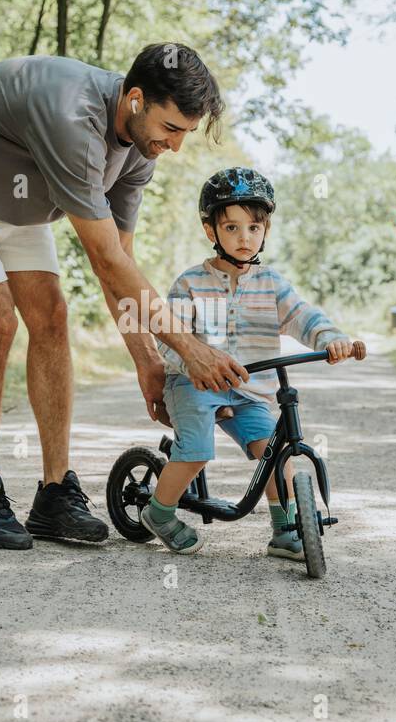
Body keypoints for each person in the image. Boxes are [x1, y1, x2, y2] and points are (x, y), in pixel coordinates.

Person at [0, 44, 248, 551]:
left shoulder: (139, 151)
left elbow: (119, 266)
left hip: (17, 199)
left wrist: (148, 361)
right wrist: (190, 350)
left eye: (185, 134)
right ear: (136, 99)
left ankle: (54, 494)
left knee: (53, 318)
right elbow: (105, 261)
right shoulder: (71, 115)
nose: (176, 146)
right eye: (171, 129)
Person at [144, 167, 365, 559]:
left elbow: (302, 315)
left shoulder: (272, 284)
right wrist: (189, 362)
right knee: (196, 450)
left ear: (265, 230)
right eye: (231, 227)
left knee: (275, 450)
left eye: (253, 227)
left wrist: (331, 339)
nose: (244, 238)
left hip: (249, 388)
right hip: (192, 383)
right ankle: (159, 513)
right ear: (211, 232)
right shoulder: (190, 283)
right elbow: (171, 341)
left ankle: (284, 529)